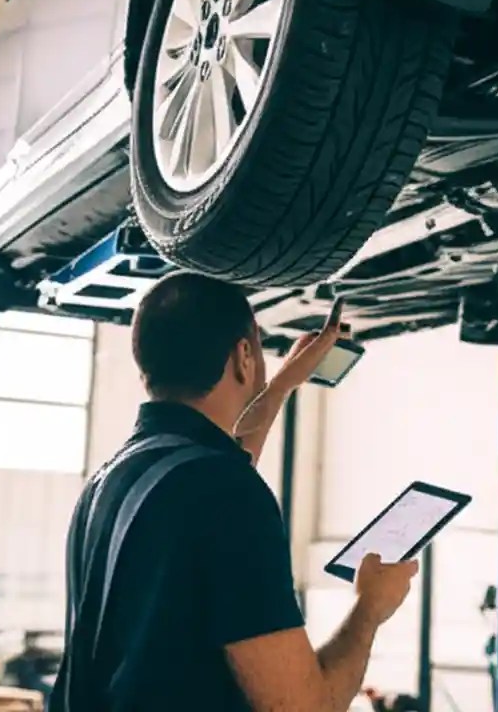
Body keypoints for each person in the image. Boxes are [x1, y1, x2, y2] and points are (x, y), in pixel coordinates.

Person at [51, 272, 419, 712]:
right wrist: (370, 609)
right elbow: (302, 708)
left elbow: (223, 466)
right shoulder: (225, 493)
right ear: (244, 356)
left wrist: (281, 385)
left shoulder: (117, 478)